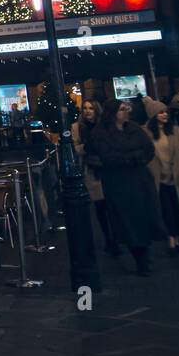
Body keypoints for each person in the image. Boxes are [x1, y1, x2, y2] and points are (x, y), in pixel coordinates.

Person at [91, 99, 166, 276]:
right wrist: (132, 156)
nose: (126, 112)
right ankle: (139, 257)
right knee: (127, 220)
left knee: (144, 215)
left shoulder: (133, 128)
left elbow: (148, 149)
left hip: (140, 179)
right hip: (118, 182)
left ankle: (145, 254)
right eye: (121, 109)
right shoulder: (101, 132)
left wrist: (132, 157)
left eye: (126, 108)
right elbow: (108, 157)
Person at [144, 100, 179, 256]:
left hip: (176, 176)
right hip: (158, 178)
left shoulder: (175, 130)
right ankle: (172, 240)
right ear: (153, 115)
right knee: (166, 210)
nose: (165, 114)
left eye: (166, 112)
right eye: (161, 112)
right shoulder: (147, 133)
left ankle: (177, 238)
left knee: (177, 210)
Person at [71, 98, 117, 255]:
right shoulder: (78, 127)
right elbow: (75, 148)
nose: (87, 111)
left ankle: (116, 236)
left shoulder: (105, 125)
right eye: (85, 108)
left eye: (91, 108)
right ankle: (109, 239)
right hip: (92, 169)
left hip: (108, 168)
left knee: (112, 206)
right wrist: (86, 147)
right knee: (100, 206)